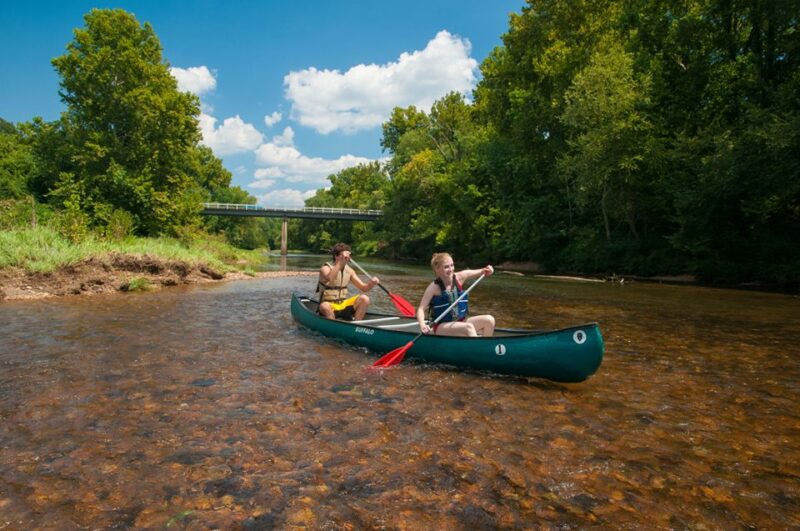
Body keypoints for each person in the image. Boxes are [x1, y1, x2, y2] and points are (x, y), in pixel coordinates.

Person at [416, 252, 495, 337]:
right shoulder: (433, 287)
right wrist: (422, 325)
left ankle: (484, 347)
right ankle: (477, 349)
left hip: (460, 322)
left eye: (452, 265)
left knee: (489, 320)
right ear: (437, 269)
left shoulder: (460, 276)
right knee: (468, 327)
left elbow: (484, 271)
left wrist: (489, 270)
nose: (451, 269)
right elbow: (421, 309)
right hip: (441, 326)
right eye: (446, 267)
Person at [317, 243, 379, 321]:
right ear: (336, 256)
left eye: (347, 257)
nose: (346, 259)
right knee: (324, 306)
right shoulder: (325, 268)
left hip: (343, 305)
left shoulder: (349, 271)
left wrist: (372, 283)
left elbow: (364, 288)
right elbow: (330, 278)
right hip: (329, 305)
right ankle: (334, 326)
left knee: (365, 298)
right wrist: (340, 263)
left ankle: (356, 326)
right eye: (343, 256)